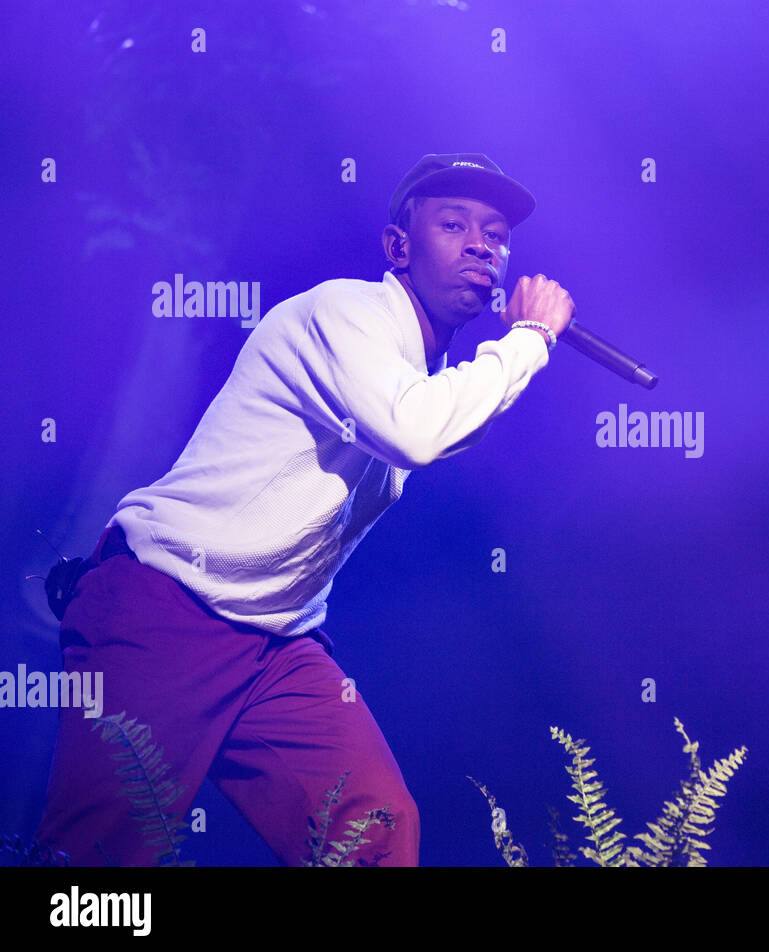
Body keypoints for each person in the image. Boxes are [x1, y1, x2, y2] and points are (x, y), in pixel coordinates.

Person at [34, 153, 575, 866]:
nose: (483, 244)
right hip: (166, 605)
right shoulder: (344, 312)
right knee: (97, 870)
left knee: (375, 832)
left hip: (278, 644)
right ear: (398, 248)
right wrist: (529, 340)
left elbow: (435, 418)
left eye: (498, 235)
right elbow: (419, 430)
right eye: (454, 224)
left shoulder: (421, 372)